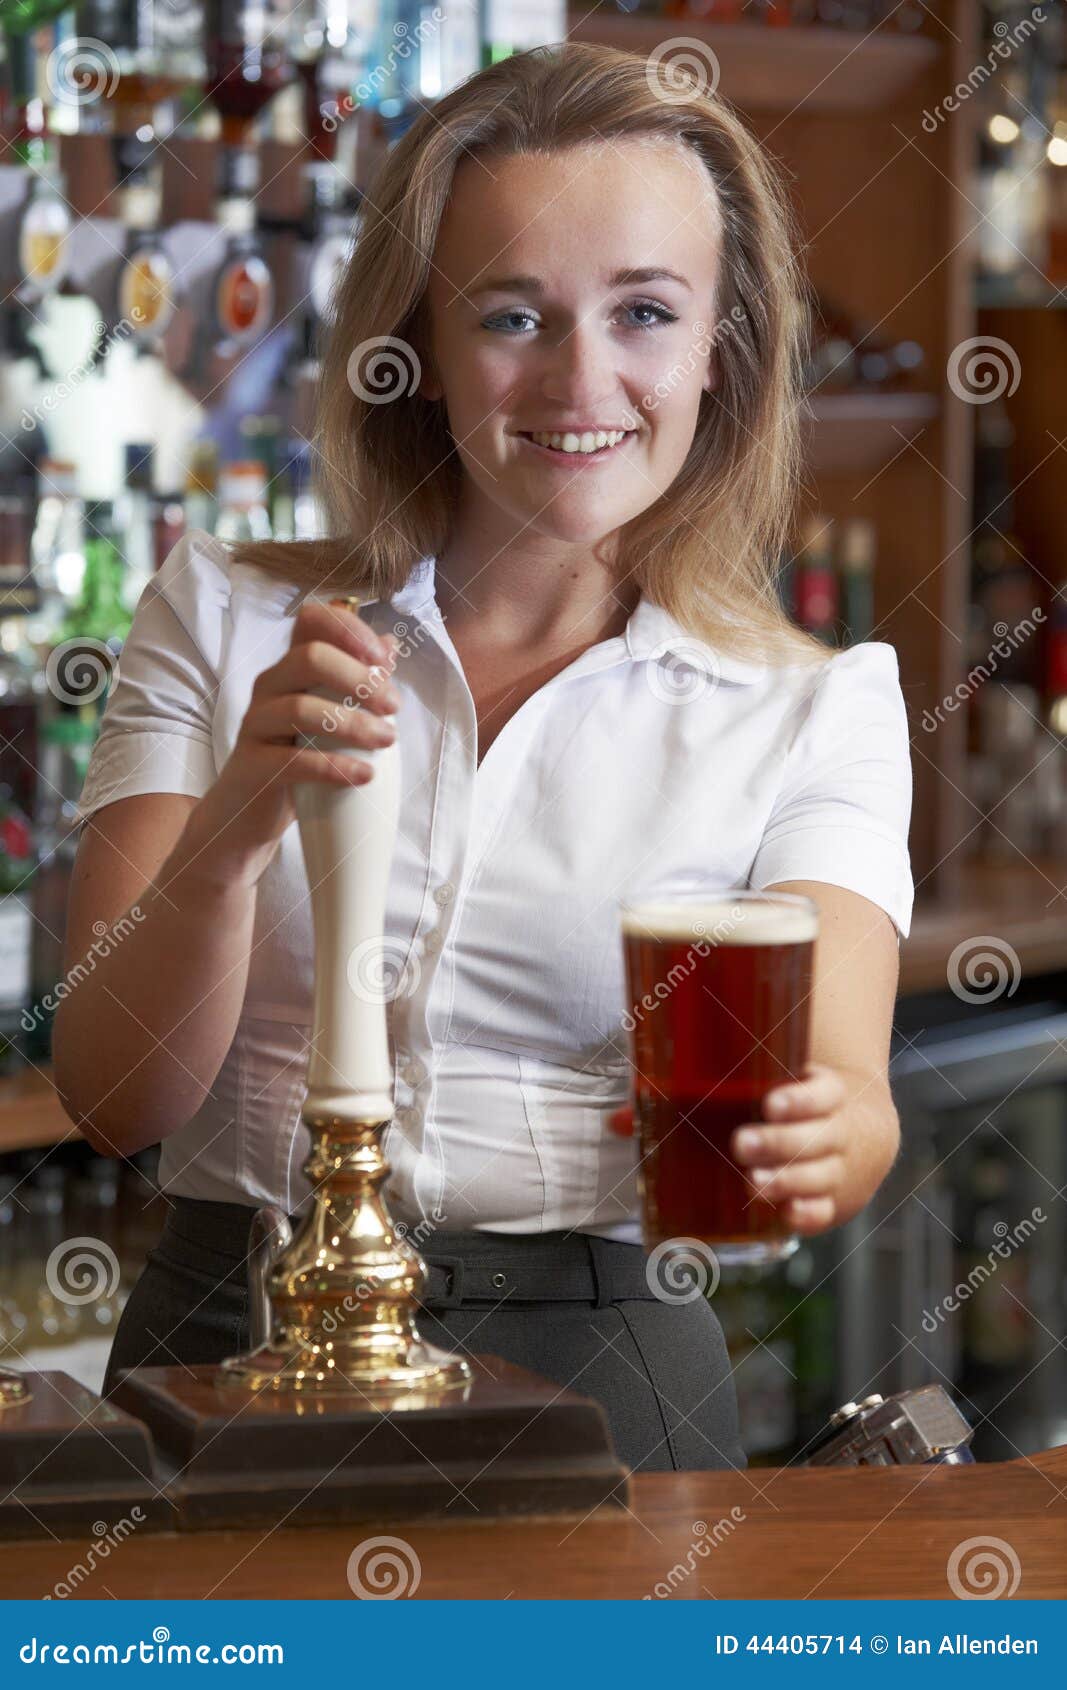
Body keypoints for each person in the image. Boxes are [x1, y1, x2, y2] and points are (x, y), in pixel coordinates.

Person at [54, 43, 913, 1476]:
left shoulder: (812, 707)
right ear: (420, 344)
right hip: (230, 1335)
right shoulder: (218, 612)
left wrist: (839, 1134)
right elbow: (112, 1096)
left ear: (722, 344)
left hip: (600, 1372)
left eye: (646, 312)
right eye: (513, 315)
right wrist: (238, 825)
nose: (584, 379)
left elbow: (844, 1087)